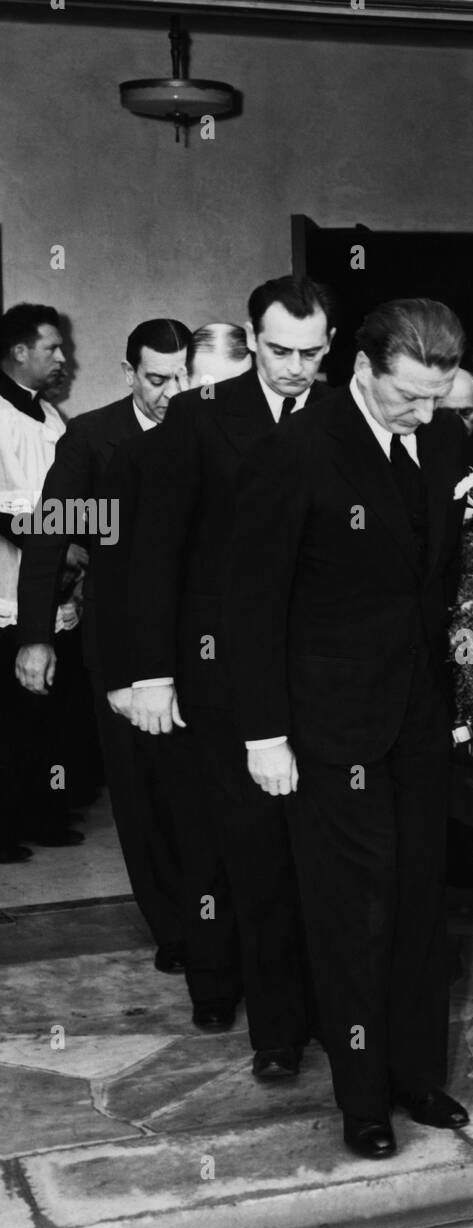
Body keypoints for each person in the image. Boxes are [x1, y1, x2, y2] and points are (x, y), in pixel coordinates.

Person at [224, 298, 470, 1160]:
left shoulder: (443, 438)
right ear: (363, 370)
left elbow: (435, 583)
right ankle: (363, 1098)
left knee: (419, 905)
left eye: (437, 397)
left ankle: (417, 1075)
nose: (426, 414)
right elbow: (251, 603)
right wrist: (264, 735)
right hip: (330, 730)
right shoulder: (296, 451)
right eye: (409, 397)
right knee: (353, 916)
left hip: (419, 721)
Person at [127, 277, 332, 1074]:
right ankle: (245, 1006)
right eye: (279, 350)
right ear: (251, 338)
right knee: (233, 846)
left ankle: (316, 1009)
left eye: (311, 353)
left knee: (308, 853)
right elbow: (155, 552)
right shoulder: (201, 417)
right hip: (218, 672)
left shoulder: (342, 419)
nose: (293, 367)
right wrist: (151, 672)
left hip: (315, 675)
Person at [16, 318, 191, 964]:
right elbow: (49, 539)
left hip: (196, 645)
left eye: (182, 377)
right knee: (140, 794)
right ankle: (173, 930)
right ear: (127, 374)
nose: (170, 391)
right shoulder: (93, 438)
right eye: (155, 379)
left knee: (196, 791)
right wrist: (36, 638)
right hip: (116, 645)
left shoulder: (208, 425)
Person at [89, 325, 252, 1015]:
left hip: (266, 680)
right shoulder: (134, 457)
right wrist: (133, 677)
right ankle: (211, 980)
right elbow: (120, 577)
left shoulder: (289, 449)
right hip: (181, 686)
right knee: (197, 834)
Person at [0, 303, 73, 863]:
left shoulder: (51, 419)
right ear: (20, 350)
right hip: (6, 589)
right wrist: (60, 541)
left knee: (42, 718)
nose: (62, 358)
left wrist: (90, 545)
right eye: (52, 348)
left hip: (53, 590)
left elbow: (78, 500)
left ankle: (41, 816)